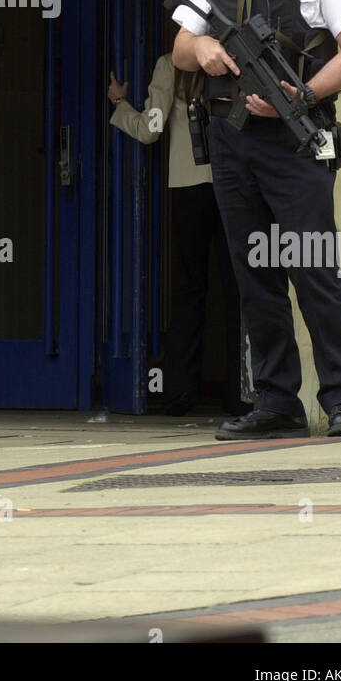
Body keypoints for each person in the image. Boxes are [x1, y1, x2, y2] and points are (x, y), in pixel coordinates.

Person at [171, 0, 341, 441]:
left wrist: (303, 96)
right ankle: (278, 402)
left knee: (312, 268)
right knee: (254, 275)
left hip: (294, 139)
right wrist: (203, 48)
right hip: (234, 142)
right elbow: (181, 42)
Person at [108, 54, 246, 416]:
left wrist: (119, 103)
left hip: (187, 189)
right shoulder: (233, 60)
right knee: (239, 293)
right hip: (232, 188)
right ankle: (241, 394)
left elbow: (149, 130)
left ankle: (180, 393)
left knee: (189, 290)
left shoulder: (170, 65)